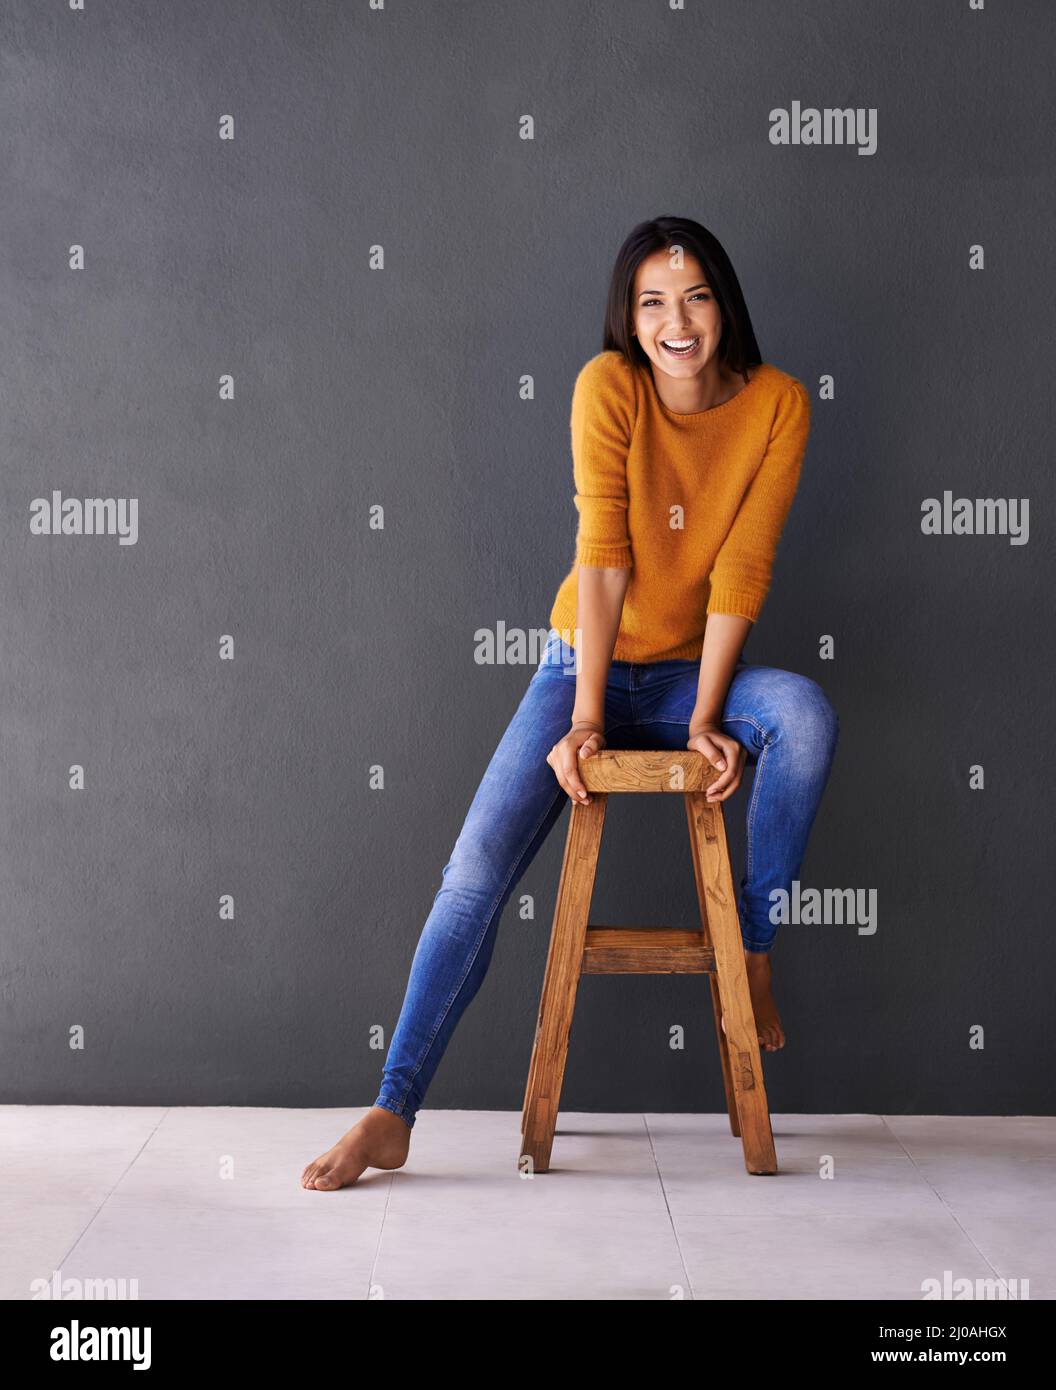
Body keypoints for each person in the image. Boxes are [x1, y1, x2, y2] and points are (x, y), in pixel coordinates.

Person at [301, 215, 839, 1191]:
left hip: (686, 673)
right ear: (628, 319)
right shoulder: (609, 386)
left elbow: (741, 571)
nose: (676, 321)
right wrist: (586, 714)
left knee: (803, 712)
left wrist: (709, 713)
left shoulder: (777, 405)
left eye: (695, 296)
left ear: (725, 302)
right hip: (580, 664)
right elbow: (604, 555)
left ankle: (750, 951)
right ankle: (392, 1108)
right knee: (472, 872)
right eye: (651, 303)